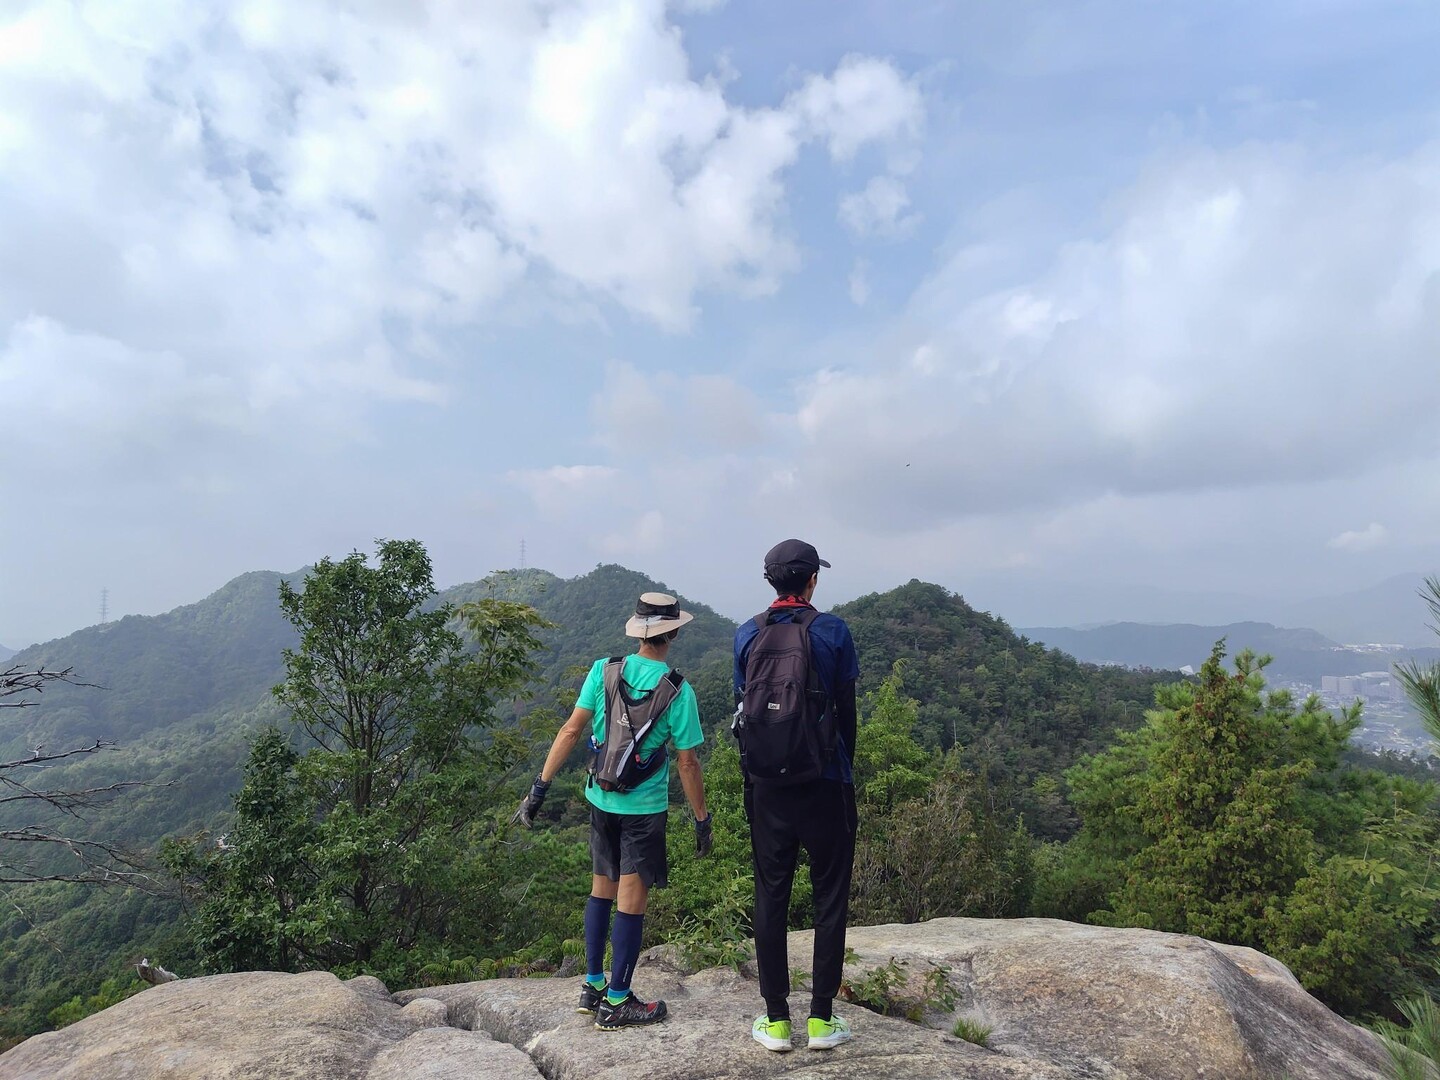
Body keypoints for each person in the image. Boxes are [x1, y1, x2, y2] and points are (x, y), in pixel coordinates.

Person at [514, 591, 712, 1031]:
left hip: (599, 799)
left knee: (601, 889)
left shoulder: (604, 671)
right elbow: (687, 762)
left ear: (637, 629)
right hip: (643, 808)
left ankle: (592, 985)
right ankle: (618, 1000)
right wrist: (702, 819)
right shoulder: (678, 690)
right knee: (631, 901)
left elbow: (571, 729)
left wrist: (538, 789)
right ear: (673, 632)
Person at [735, 539, 859, 1053]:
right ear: (812, 581)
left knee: (772, 895)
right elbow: (847, 714)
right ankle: (822, 1021)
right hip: (825, 781)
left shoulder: (747, 633)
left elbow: (745, 712)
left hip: (768, 787)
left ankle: (776, 1021)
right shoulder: (832, 631)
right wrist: (842, 767)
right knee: (829, 896)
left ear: (771, 582)